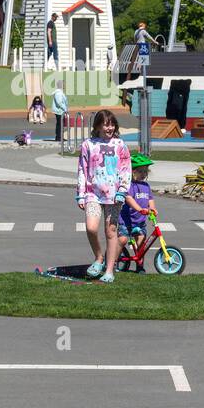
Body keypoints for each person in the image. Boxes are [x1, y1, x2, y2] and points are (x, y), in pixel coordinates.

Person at [76, 109, 132, 283]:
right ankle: (99, 258)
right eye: (106, 124)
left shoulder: (120, 145)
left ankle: (109, 270)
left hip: (115, 195)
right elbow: (82, 170)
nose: (109, 128)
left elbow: (126, 169)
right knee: (91, 228)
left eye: (112, 124)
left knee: (111, 231)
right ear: (98, 125)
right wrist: (81, 194)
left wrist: (122, 190)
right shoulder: (88, 145)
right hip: (92, 193)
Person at [119, 153, 156, 272]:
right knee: (122, 240)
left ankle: (140, 266)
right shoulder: (129, 185)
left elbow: (150, 198)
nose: (144, 174)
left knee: (141, 242)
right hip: (126, 220)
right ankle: (113, 261)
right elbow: (128, 198)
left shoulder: (146, 185)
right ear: (132, 171)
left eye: (145, 172)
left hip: (140, 221)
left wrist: (152, 208)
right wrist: (139, 209)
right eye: (140, 171)